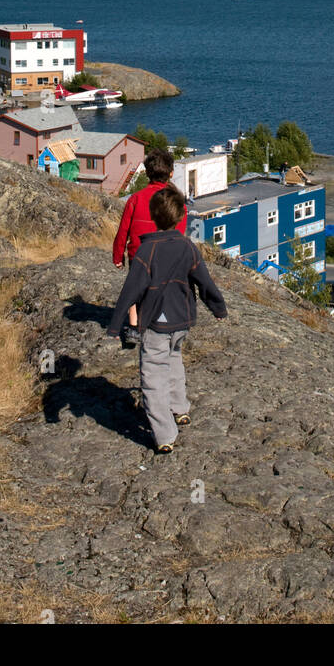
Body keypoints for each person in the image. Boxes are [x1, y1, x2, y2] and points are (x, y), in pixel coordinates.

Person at [107, 183, 227, 453]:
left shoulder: (146, 252)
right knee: (174, 361)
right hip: (182, 321)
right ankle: (180, 408)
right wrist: (218, 308)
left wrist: (116, 325)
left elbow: (130, 291)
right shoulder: (188, 247)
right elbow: (204, 281)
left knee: (153, 377)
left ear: (153, 215)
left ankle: (164, 434)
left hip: (155, 325)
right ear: (180, 215)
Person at [112, 147, 187, 345]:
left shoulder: (135, 199)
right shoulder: (177, 202)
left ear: (147, 172)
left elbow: (123, 231)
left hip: (138, 253)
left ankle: (134, 328)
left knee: (136, 289)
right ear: (171, 173)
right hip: (166, 255)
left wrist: (118, 256)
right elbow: (180, 232)